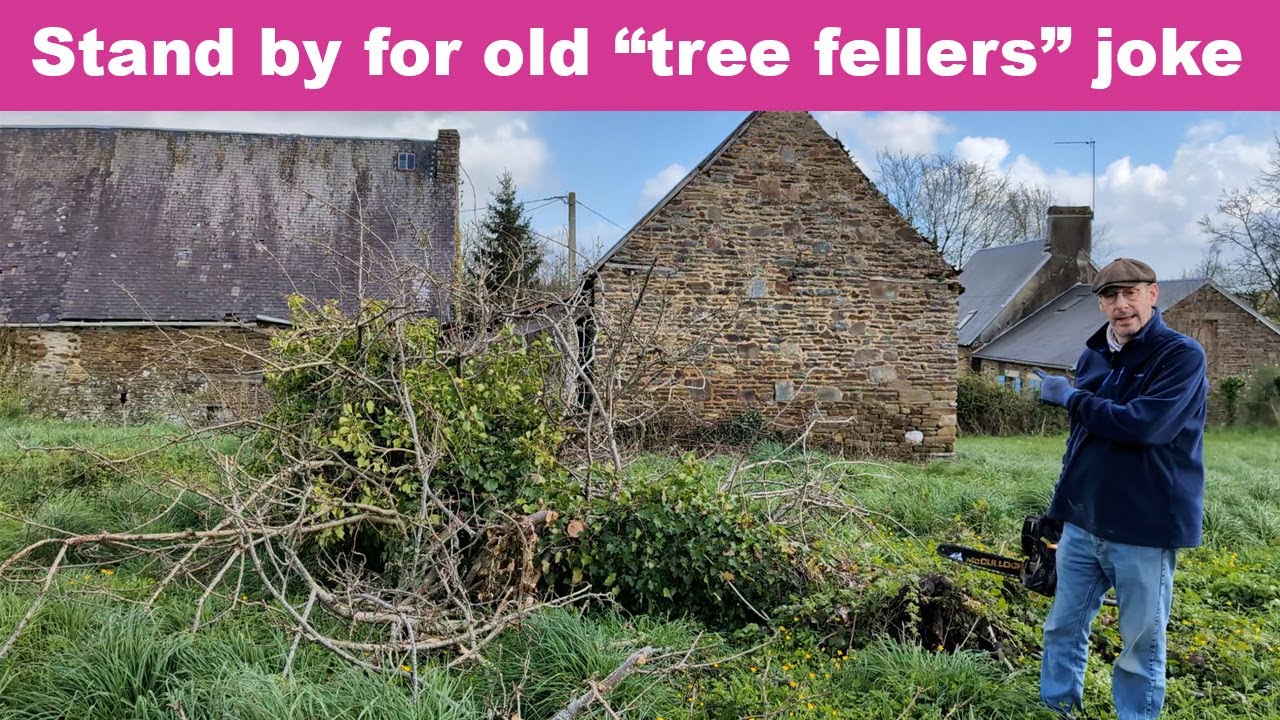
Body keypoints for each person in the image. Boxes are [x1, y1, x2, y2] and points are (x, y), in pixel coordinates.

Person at [1032, 258, 1208, 720]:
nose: (1121, 304)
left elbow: (1145, 426)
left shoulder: (1180, 355)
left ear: (1154, 294)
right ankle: (1057, 708)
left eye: (1131, 292)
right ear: (1101, 304)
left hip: (1144, 526)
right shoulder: (1093, 356)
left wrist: (1071, 397)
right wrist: (1059, 509)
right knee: (1062, 628)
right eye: (1110, 296)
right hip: (1083, 521)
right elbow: (1081, 439)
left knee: (1140, 646)